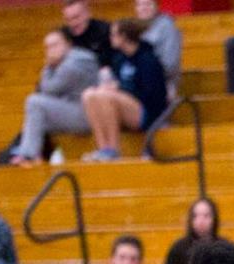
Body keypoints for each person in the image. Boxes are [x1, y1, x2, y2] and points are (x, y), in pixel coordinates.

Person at [82, 18, 169, 162]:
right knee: (89, 95)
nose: (110, 38)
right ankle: (103, 147)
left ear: (123, 37)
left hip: (147, 111)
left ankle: (113, 150)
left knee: (107, 96)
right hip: (124, 105)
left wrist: (120, 88)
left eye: (113, 35)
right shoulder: (119, 59)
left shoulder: (148, 59)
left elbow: (152, 95)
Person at [11, 28, 100, 166]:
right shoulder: (67, 61)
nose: (50, 51)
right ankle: (31, 155)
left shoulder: (77, 61)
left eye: (55, 45)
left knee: (34, 102)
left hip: (88, 114)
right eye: (47, 47)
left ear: (68, 44)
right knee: (35, 116)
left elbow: (48, 89)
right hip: (74, 110)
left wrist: (48, 67)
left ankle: (29, 155)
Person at [161, 198, 222, 264]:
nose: (201, 221)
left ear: (214, 218)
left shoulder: (224, 248)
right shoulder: (179, 248)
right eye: (195, 216)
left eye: (206, 215)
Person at [135, 0, 183, 81]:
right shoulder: (136, 27)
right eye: (139, 5)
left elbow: (169, 64)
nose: (143, 8)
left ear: (157, 6)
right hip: (140, 81)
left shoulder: (168, 27)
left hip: (161, 82)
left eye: (148, 4)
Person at [59, 0, 113, 64]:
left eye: (76, 17)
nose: (73, 23)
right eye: (68, 20)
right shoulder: (62, 36)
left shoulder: (106, 30)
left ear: (88, 13)